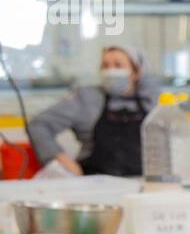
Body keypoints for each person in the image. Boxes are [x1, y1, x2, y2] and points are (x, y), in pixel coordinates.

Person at [27, 45, 159, 176]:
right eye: (105, 66)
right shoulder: (86, 98)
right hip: (94, 183)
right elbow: (38, 125)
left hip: (140, 183)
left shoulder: (149, 100)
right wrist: (61, 159)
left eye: (118, 65)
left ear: (136, 72)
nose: (110, 71)